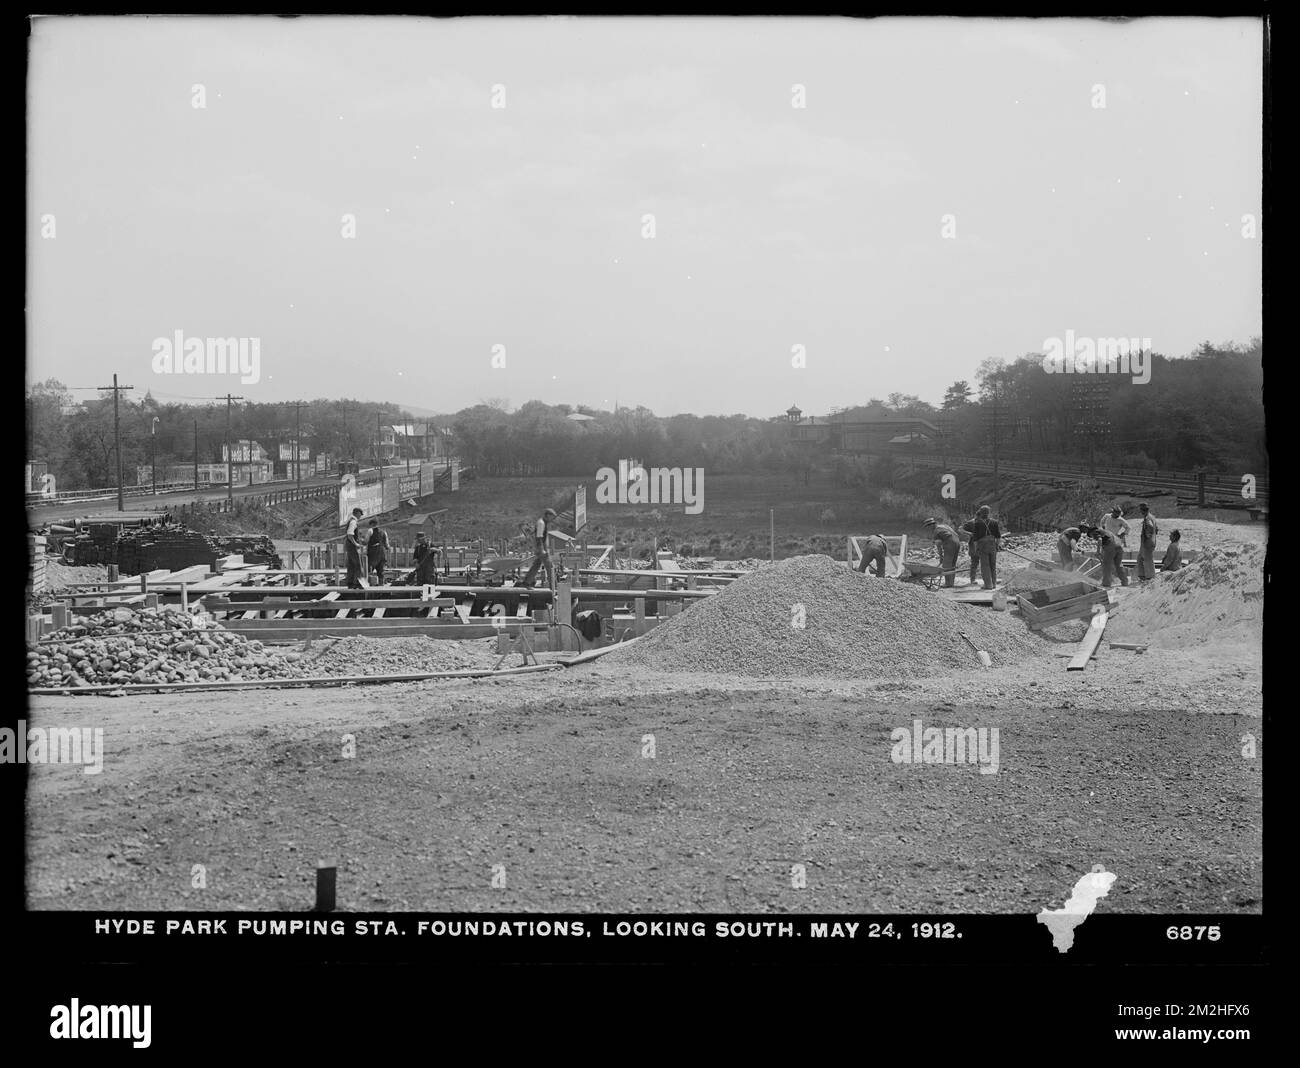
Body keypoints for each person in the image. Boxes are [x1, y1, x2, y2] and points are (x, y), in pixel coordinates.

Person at [961, 505, 1002, 589]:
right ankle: (994, 584)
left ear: (981, 512)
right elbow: (998, 537)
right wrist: (997, 546)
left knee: (985, 565)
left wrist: (977, 548)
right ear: (989, 513)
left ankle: (988, 585)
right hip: (992, 545)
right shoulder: (994, 522)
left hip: (983, 546)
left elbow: (975, 539)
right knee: (993, 565)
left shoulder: (978, 523)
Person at [521, 507, 557, 589]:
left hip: (541, 548)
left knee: (536, 565)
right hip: (541, 548)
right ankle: (554, 586)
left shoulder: (543, 522)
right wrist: (542, 550)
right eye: (552, 517)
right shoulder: (541, 523)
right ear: (548, 515)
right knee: (550, 566)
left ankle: (526, 583)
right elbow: (539, 537)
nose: (552, 519)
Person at [923, 517, 962, 588]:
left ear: (931, 525)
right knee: (952, 563)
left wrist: (941, 557)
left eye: (927, 527)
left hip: (950, 543)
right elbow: (955, 533)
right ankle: (951, 582)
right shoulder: (944, 526)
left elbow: (938, 546)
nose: (928, 529)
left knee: (946, 565)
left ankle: (948, 583)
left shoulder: (936, 531)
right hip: (957, 542)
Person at [1099, 507, 1130, 587]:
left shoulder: (1121, 520)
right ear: (1113, 512)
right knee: (1118, 564)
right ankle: (1124, 581)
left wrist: (1122, 534)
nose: (1117, 515)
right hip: (1114, 542)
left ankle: (1106, 583)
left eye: (1118, 514)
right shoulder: (1107, 516)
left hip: (1111, 542)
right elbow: (1102, 522)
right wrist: (1103, 528)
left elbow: (1128, 528)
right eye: (1116, 513)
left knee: (1107, 564)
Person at [343, 507, 365, 589]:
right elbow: (350, 534)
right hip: (352, 546)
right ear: (357, 513)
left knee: (351, 565)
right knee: (358, 565)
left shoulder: (351, 520)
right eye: (360, 514)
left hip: (350, 546)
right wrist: (356, 544)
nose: (361, 516)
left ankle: (350, 583)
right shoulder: (353, 522)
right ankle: (357, 583)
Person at [1136, 503, 1159, 582]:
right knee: (1140, 558)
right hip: (1149, 542)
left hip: (1147, 543)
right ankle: (1142, 576)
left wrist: (1148, 536)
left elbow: (1150, 527)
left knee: (1148, 560)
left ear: (1142, 511)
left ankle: (1150, 578)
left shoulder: (1148, 519)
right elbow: (1156, 529)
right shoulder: (1152, 517)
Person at [367, 519, 390, 585]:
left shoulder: (370, 531)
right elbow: (387, 546)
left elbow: (365, 541)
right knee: (381, 571)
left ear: (371, 524)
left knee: (369, 570)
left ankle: (369, 584)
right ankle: (381, 585)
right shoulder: (384, 532)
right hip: (382, 553)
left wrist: (360, 540)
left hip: (373, 554)